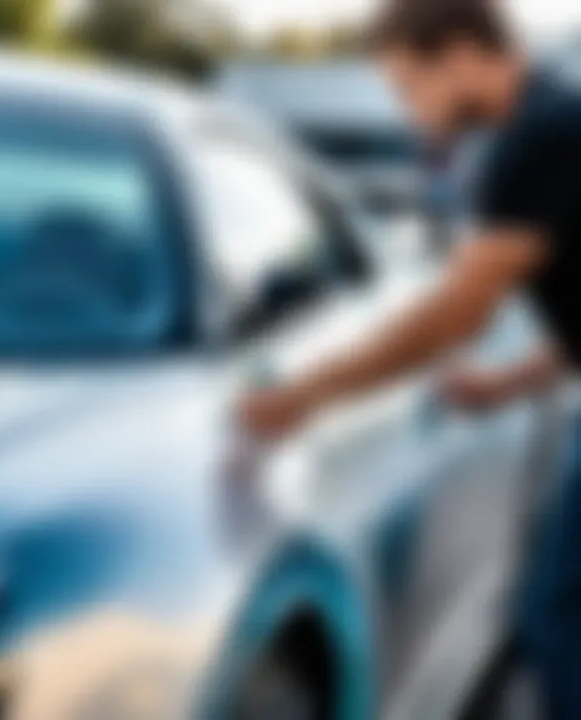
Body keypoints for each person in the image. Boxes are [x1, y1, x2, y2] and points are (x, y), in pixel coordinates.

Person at [239, 0, 581, 717]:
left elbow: (452, 315)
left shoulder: (540, 138)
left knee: (556, 620)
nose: (407, 110)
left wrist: (308, 391)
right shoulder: (554, 118)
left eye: (405, 86)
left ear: (460, 55)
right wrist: (505, 384)